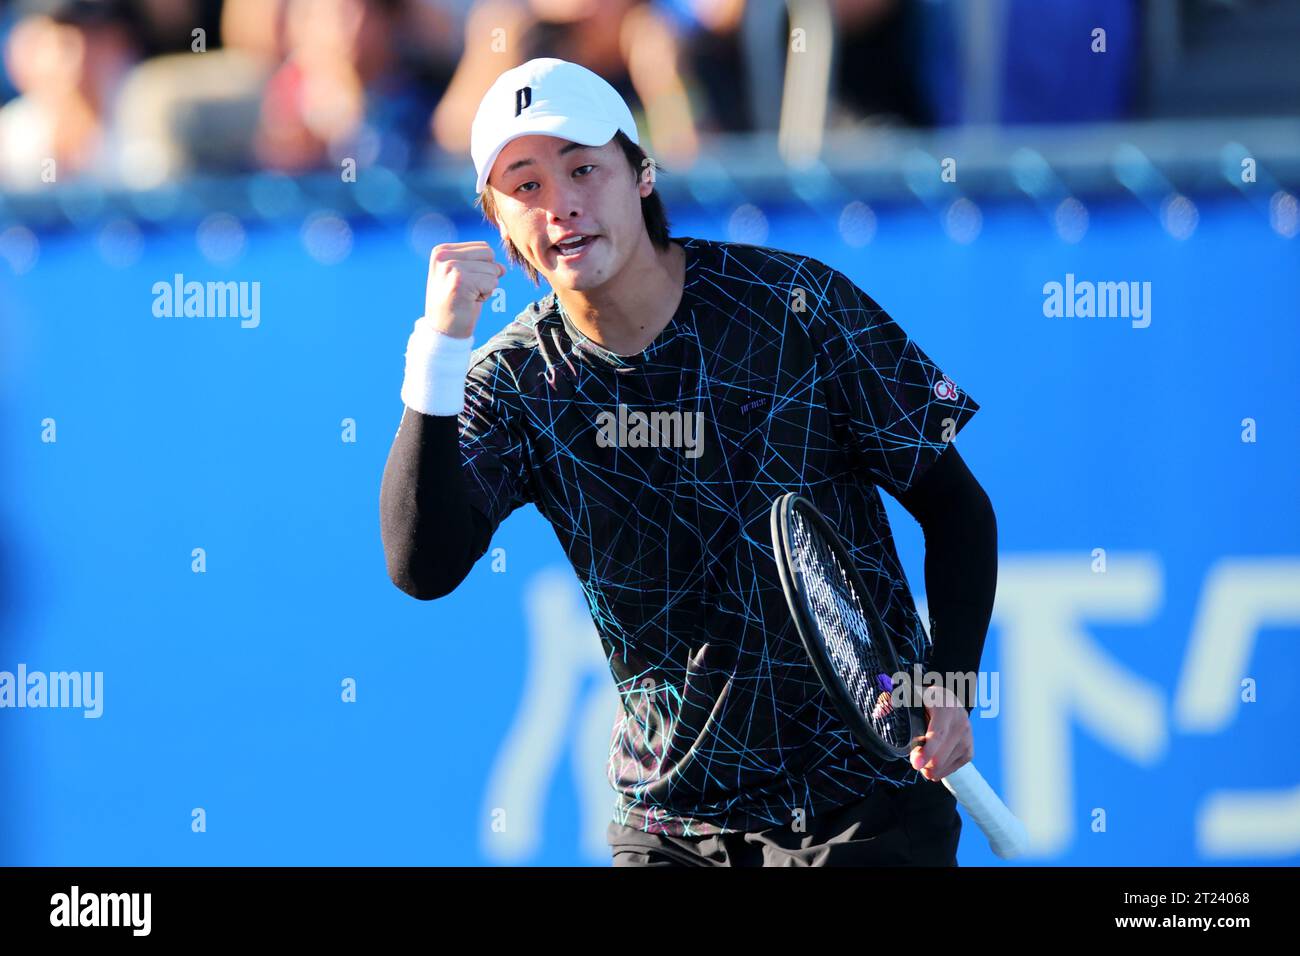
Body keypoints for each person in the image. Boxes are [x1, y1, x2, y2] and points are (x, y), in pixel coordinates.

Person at [380, 57, 998, 866]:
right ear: (496, 217)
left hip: (868, 805)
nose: (561, 203)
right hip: (671, 827)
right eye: (524, 185)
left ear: (642, 174)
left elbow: (954, 507)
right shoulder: (510, 381)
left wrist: (950, 682)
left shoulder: (795, 307)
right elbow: (422, 567)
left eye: (584, 168)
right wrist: (437, 359)